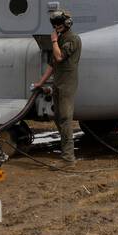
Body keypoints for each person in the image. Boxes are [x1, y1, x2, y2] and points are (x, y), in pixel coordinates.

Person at [33, 8, 82, 163]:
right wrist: (40, 82)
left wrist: (53, 41)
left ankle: (68, 158)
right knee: (59, 117)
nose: (57, 26)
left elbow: (59, 57)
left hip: (67, 83)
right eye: (55, 24)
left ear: (67, 23)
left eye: (59, 23)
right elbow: (53, 65)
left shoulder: (72, 39)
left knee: (66, 118)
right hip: (58, 83)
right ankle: (66, 149)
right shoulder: (61, 39)